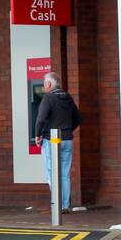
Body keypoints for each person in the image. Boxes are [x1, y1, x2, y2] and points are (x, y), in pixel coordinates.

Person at [34, 72, 81, 212]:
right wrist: (67, 130)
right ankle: (65, 205)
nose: (43, 86)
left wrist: (37, 135)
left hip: (51, 139)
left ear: (49, 84)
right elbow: (78, 118)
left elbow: (40, 119)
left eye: (44, 83)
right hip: (67, 139)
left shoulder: (48, 98)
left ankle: (57, 204)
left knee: (51, 172)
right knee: (64, 174)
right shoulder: (68, 97)